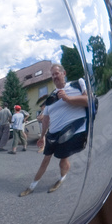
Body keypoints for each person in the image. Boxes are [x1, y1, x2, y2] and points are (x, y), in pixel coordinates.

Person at [20, 64, 89, 195]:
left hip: (69, 131)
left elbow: (87, 101)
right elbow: (45, 119)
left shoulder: (76, 84)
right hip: (52, 133)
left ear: (64, 73)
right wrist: (42, 137)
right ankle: (31, 187)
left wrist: (68, 99)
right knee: (45, 159)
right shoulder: (51, 98)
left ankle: (62, 178)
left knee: (62, 161)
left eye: (56, 73)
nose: (54, 76)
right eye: (52, 75)